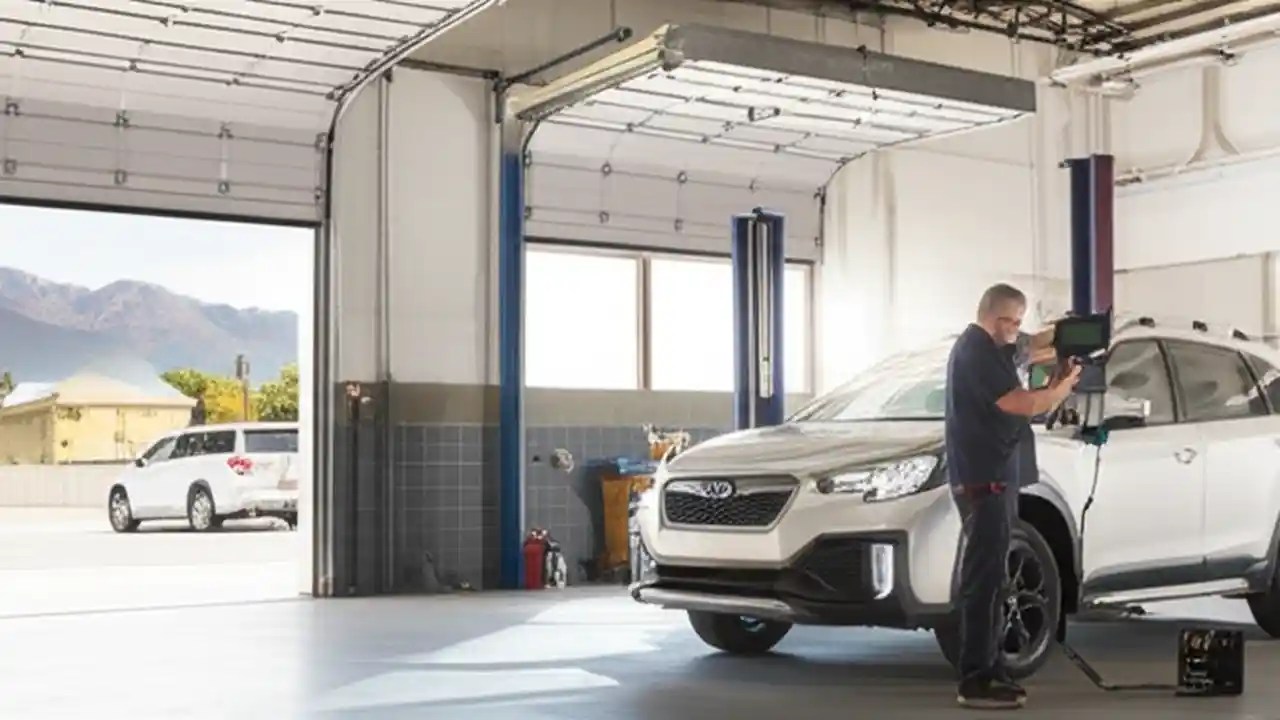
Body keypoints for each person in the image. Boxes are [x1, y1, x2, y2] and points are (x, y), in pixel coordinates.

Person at [945, 283, 1080, 710]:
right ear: (995, 317)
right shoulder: (978, 352)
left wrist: (1058, 349)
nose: (1017, 331)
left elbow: (1027, 353)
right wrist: (1060, 391)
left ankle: (990, 667)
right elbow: (1020, 403)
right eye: (1013, 322)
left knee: (993, 578)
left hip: (993, 478)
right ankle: (976, 678)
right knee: (983, 581)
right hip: (985, 481)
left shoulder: (990, 351)